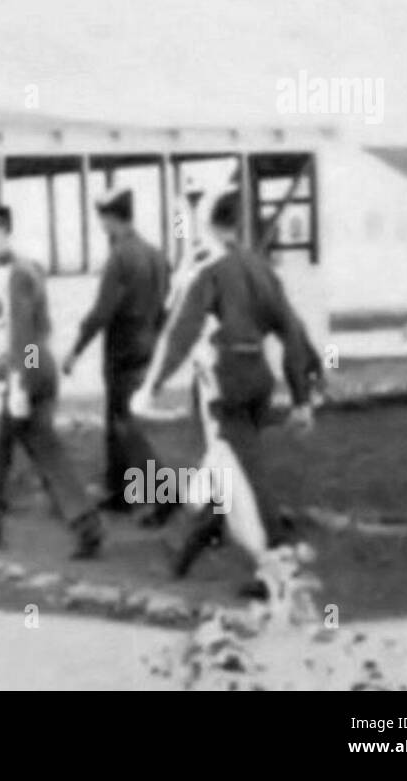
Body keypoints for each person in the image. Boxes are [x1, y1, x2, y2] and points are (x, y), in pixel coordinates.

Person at [131, 189, 316, 596]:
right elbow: (294, 332)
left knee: (242, 476)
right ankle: (182, 549)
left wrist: (151, 386)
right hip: (258, 380)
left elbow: (180, 335)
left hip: (223, 382)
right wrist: (302, 396)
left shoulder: (209, 270)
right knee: (223, 467)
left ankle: (277, 564)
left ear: (206, 223)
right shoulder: (261, 268)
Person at [0, 207, 102, 558]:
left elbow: (25, 333)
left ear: (5, 233)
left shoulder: (17, 274)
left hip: (25, 368)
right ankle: (85, 523)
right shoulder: (0, 273)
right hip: (26, 365)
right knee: (40, 451)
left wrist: (20, 383)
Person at [61, 187, 170, 514]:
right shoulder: (156, 255)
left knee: (124, 423)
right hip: (148, 344)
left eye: (102, 219)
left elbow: (101, 312)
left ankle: (162, 494)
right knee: (121, 419)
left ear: (109, 218)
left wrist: (75, 350)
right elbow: (166, 308)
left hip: (123, 348)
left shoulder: (120, 256)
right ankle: (123, 493)